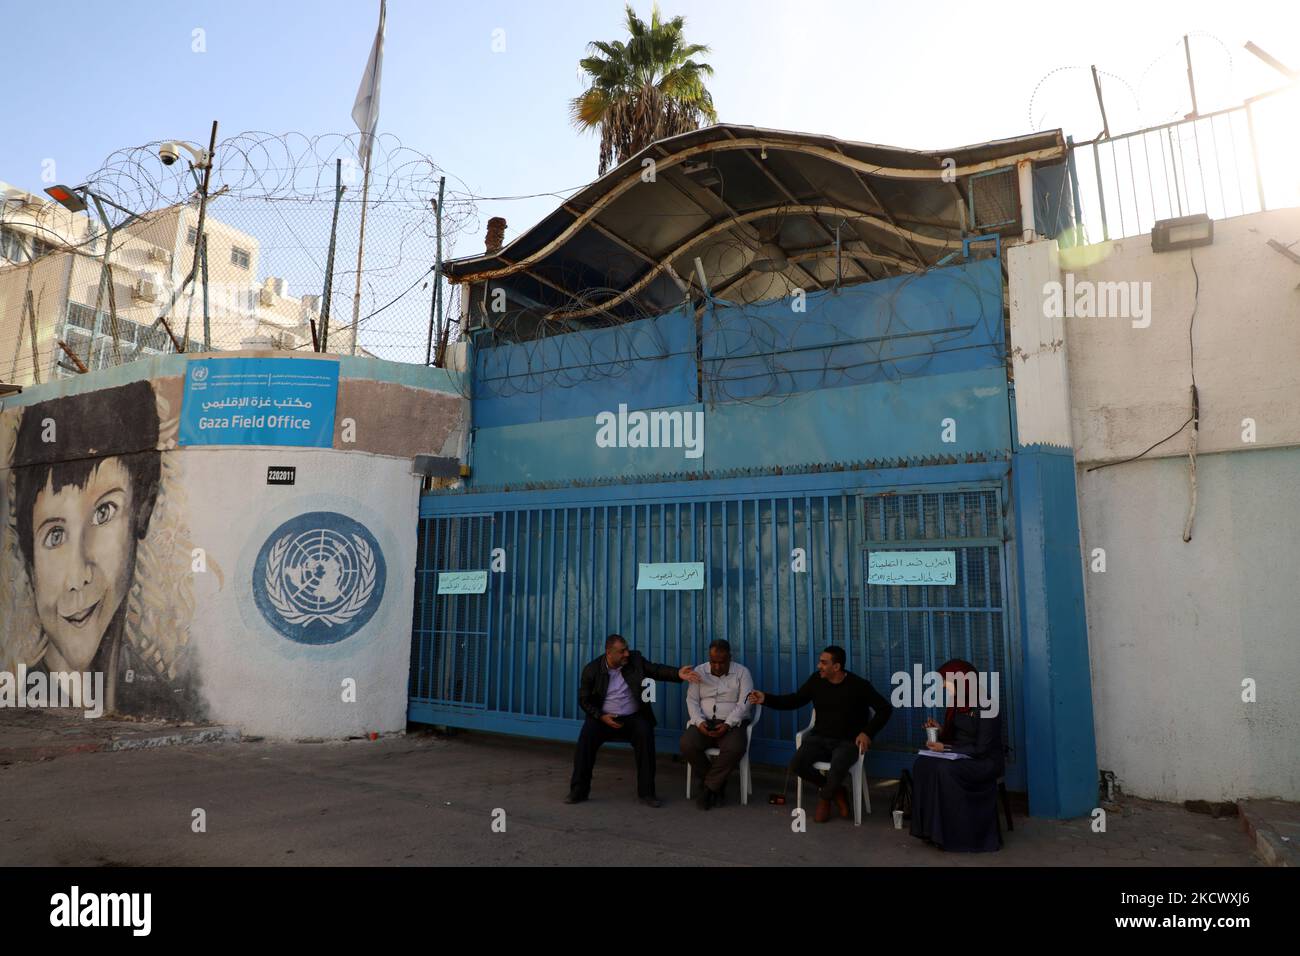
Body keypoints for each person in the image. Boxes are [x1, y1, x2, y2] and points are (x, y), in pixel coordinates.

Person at [11, 381, 161, 715]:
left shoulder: (159, 696)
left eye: (103, 512)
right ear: (30, 561)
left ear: (143, 508)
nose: (78, 575)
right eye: (54, 535)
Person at [749, 645, 892, 823]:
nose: (819, 666)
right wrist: (766, 699)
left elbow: (885, 709)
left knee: (838, 764)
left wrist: (867, 733)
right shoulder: (816, 681)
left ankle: (825, 799)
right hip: (820, 738)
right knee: (796, 764)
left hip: (847, 741)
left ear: (837, 667)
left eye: (824, 663)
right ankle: (836, 791)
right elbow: (795, 700)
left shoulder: (859, 686)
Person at [566, 634, 702, 807]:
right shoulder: (592, 670)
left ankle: (647, 793)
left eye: (627, 649)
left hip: (633, 718)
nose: (627, 654)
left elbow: (655, 670)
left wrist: (677, 673)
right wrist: (600, 716)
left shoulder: (635, 661)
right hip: (603, 718)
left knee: (645, 734)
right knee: (585, 740)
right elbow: (583, 699)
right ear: (609, 652)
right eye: (622, 651)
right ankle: (578, 791)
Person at [909, 658, 1004, 852]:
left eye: (947, 681)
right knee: (922, 764)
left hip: (984, 761)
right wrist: (940, 730)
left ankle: (955, 836)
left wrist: (945, 749)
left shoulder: (987, 706)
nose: (943, 685)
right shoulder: (958, 704)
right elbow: (955, 736)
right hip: (959, 755)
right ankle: (930, 830)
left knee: (945, 770)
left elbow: (981, 748)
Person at [679, 639, 753, 810]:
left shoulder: (742, 673)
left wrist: (728, 724)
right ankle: (715, 784)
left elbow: (745, 703)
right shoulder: (699, 671)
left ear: (730, 658)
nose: (717, 667)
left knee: (735, 747)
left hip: (732, 723)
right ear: (709, 658)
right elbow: (692, 700)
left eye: (722, 662)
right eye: (713, 662)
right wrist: (699, 722)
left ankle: (708, 788)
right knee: (686, 744)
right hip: (704, 722)